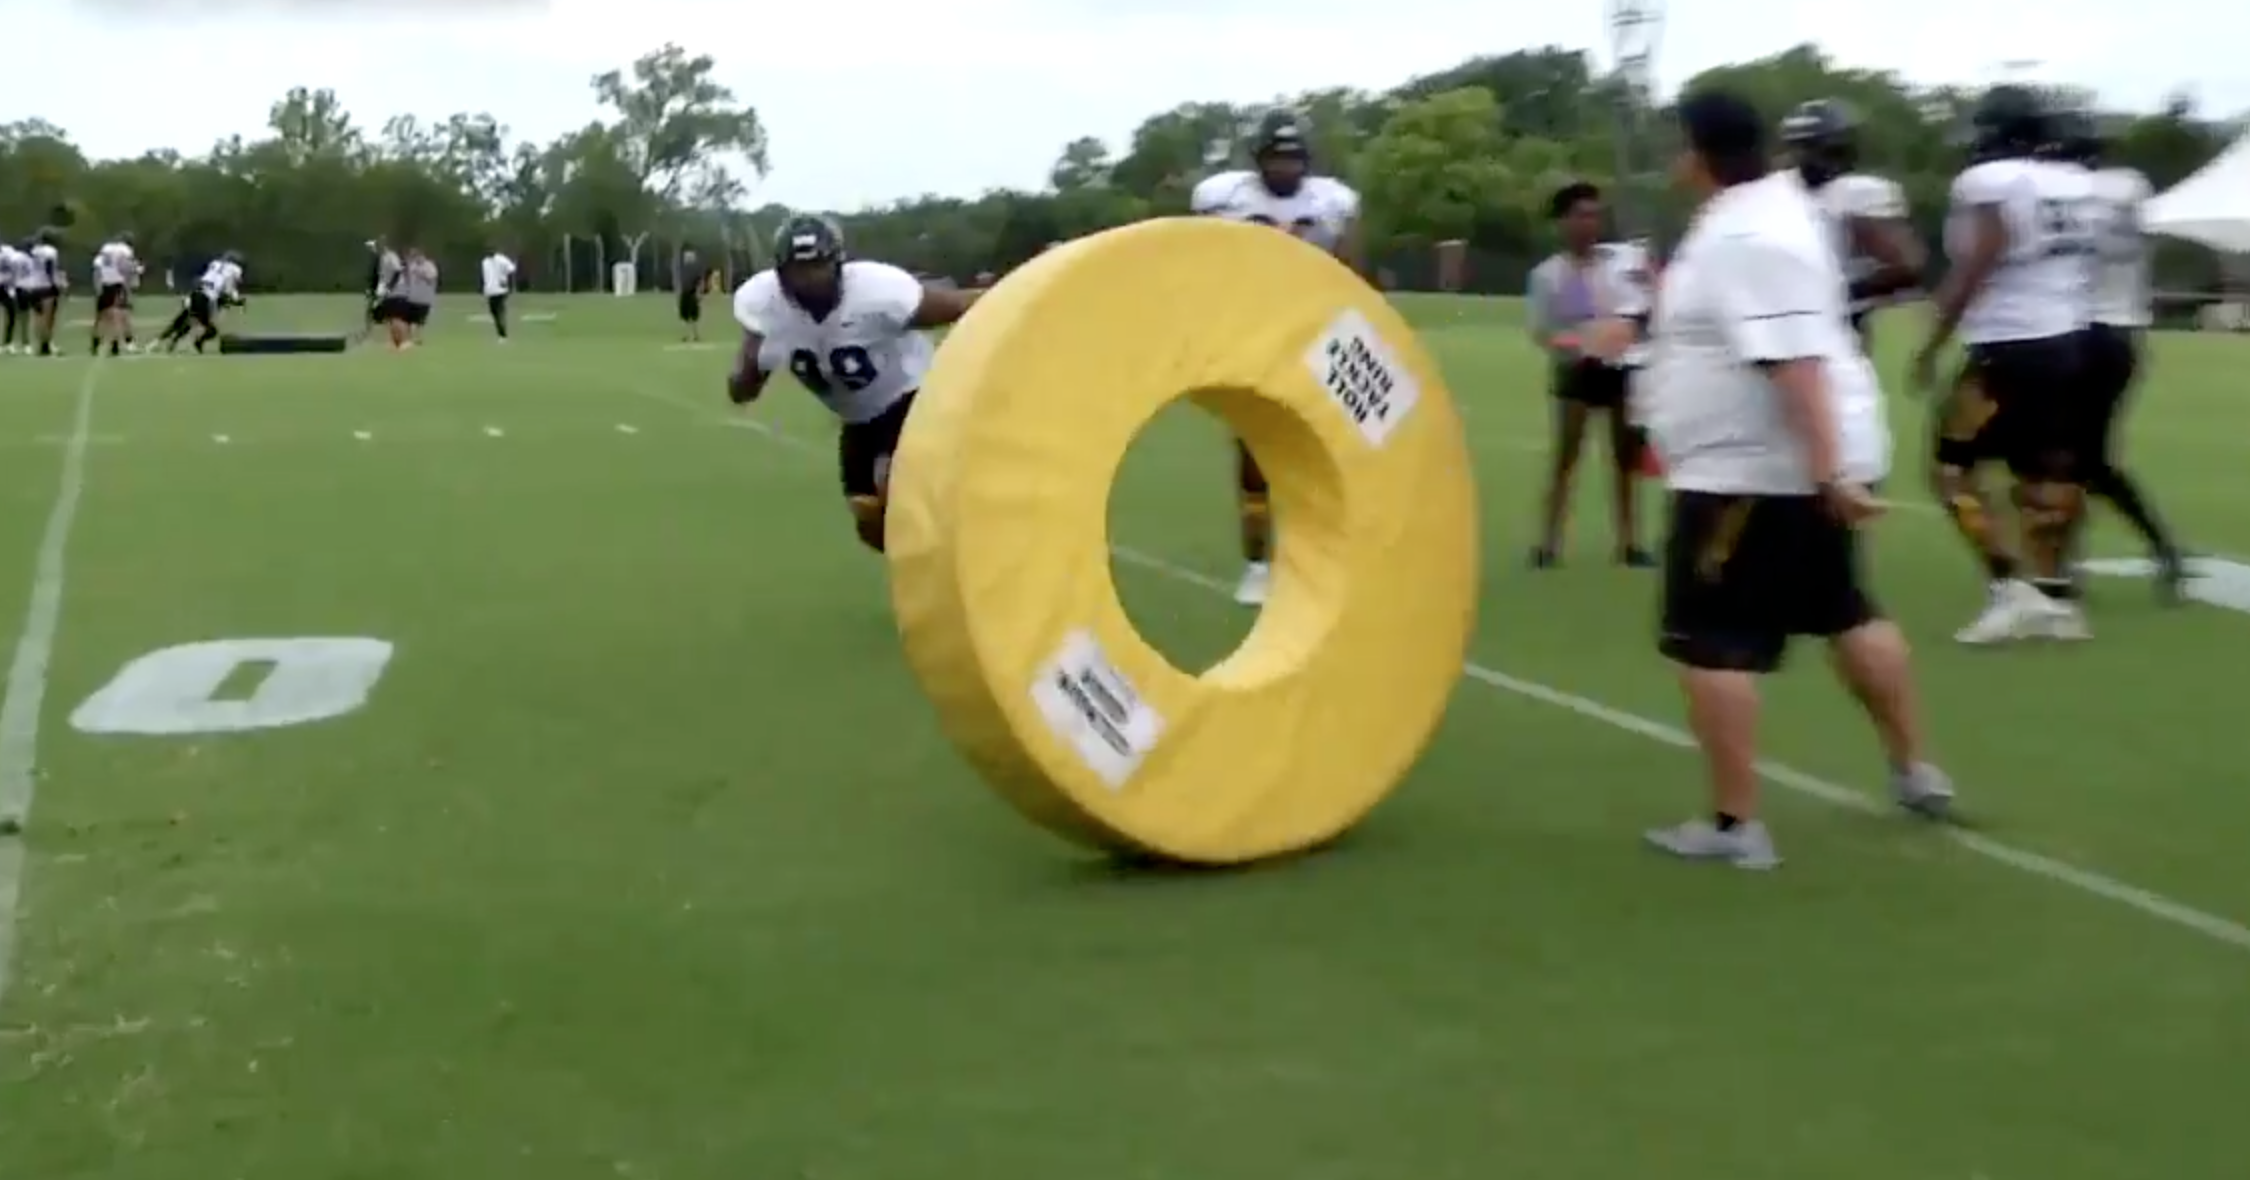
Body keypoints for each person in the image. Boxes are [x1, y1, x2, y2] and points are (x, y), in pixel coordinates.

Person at [1629, 89, 1951, 869]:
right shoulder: (1773, 212)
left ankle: (1737, 828)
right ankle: (1915, 771)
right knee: (1844, 610)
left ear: (1697, 152)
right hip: (1790, 463)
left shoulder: (1748, 231)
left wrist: (1826, 469)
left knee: (1711, 643)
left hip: (1756, 473)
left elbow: (1792, 359)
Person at [1911, 85, 2094, 644]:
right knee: (2045, 473)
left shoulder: (1993, 182)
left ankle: (2009, 589)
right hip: (2066, 340)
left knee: (1949, 468)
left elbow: (1978, 261)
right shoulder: (2075, 181)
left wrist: (1934, 340)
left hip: (2007, 346)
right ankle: (2055, 595)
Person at [1189, 108, 1364, 605]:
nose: (1285, 168)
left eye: (1292, 158)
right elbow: (1199, 260)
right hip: (1253, 332)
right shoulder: (1224, 199)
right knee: (1254, 455)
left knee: (1329, 445)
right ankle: (1258, 564)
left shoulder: (1333, 203)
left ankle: (1328, 554)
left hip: (1314, 335)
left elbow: (1353, 276)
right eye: (1275, 158)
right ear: (1258, 160)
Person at [726, 215, 983, 553]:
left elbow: (962, 305)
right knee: (870, 523)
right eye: (798, 269)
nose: (809, 278)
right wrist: (748, 373)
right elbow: (745, 383)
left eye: (818, 266)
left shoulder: (880, 294)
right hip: (857, 418)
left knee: (892, 485)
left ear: (837, 263)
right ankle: (935, 570)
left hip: (910, 396)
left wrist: (1031, 290)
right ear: (780, 272)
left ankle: (969, 551)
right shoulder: (764, 305)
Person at [2044, 109, 2186, 599]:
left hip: (2091, 334)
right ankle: (2149, 550)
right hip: (2116, 336)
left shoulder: (2078, 191)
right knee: (2081, 457)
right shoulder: (2129, 185)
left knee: (2072, 456)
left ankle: (2071, 563)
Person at [1527, 181, 1653, 568]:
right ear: (1563, 221)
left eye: (1595, 215)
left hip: (1620, 371)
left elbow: (1640, 309)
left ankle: (1630, 542)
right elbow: (1542, 331)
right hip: (1576, 373)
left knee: (1624, 458)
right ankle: (1549, 543)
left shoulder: (1620, 264)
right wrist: (1580, 345)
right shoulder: (1548, 274)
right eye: (1582, 215)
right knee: (1566, 457)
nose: (1591, 223)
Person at [1778, 99, 1926, 348]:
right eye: (1797, 147)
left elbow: (1906, 266)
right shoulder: (1779, 191)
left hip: (1836, 321)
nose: (1801, 157)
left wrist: (1831, 292)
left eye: (1809, 147)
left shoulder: (1857, 192)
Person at [158, 251, 243, 353]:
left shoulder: (215, 263)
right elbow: (228, 289)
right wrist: (236, 300)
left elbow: (208, 278)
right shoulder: (235, 270)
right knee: (209, 329)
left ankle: (168, 341)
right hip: (206, 298)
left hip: (196, 292)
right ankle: (191, 341)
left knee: (187, 319)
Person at [90, 232, 139, 356]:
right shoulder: (124, 250)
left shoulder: (105, 249)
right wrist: (133, 274)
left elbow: (97, 267)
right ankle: (118, 345)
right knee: (119, 315)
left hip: (105, 284)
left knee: (101, 317)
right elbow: (124, 267)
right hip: (117, 284)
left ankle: (95, 344)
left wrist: (98, 286)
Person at [16, 230, 63, 357]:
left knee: (38, 318)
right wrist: (55, 282)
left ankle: (39, 344)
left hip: (33, 286)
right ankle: (46, 344)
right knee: (47, 318)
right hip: (46, 286)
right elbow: (49, 268)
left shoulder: (32, 251)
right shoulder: (50, 251)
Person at [480, 246, 516, 342]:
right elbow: (485, 277)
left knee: (500, 311)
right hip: (490, 290)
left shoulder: (501, 259)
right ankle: (501, 333)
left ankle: (503, 335)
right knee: (494, 312)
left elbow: (511, 269)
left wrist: (506, 281)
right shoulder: (485, 262)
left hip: (501, 290)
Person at [677, 248, 712, 342]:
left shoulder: (696, 269)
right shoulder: (683, 268)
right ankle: (686, 335)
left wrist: (699, 293)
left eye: (688, 257)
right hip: (685, 293)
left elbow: (701, 282)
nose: (686, 258)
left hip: (693, 293)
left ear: (692, 258)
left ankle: (696, 335)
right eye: (685, 257)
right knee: (684, 316)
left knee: (694, 316)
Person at [0, 238, 22, 354]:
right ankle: (6, 343)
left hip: (5, 286)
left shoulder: (8, 252)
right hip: (5, 286)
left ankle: (7, 343)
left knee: (11, 314)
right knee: (11, 314)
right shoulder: (9, 252)